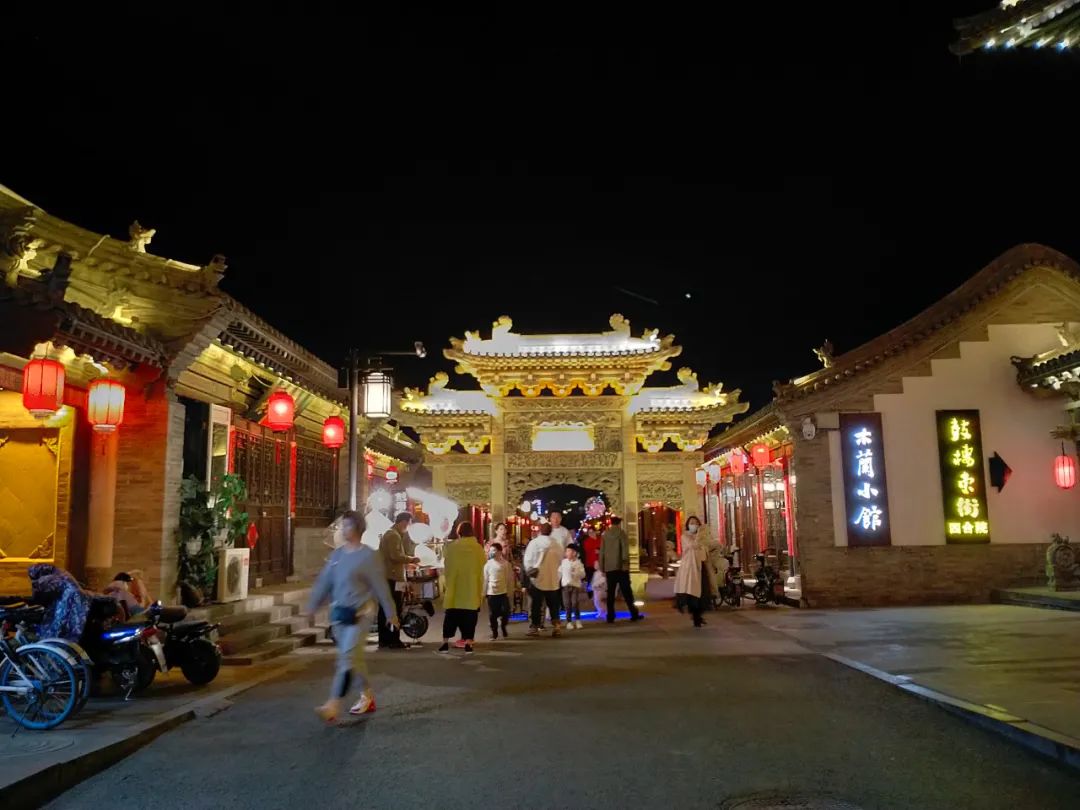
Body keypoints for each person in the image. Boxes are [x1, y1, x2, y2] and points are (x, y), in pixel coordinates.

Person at [309, 511, 399, 722]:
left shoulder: (368, 555)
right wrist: (313, 605)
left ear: (357, 528)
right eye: (342, 526)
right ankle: (367, 695)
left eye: (347, 526)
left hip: (360, 613)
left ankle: (333, 704)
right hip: (340, 614)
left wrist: (390, 612)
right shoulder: (337, 556)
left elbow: (379, 585)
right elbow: (324, 582)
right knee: (353, 659)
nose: (343, 530)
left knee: (346, 658)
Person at [438, 522, 486, 654]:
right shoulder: (477, 548)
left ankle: (445, 642)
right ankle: (468, 644)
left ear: (459, 532)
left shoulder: (452, 547)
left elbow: (446, 565)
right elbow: (483, 564)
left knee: (451, 616)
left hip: (455, 587)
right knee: (470, 617)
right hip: (471, 588)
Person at [379, 512, 420, 649]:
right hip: (393, 578)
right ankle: (393, 640)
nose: (408, 527)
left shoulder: (392, 534)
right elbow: (395, 556)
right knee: (394, 609)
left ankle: (385, 639)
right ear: (403, 522)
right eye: (408, 524)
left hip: (390, 576)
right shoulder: (393, 535)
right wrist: (411, 559)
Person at [600, 516, 642, 623]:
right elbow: (624, 549)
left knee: (610, 593)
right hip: (621, 568)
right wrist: (625, 563)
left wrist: (602, 566)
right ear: (619, 524)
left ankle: (610, 616)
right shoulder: (622, 534)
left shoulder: (605, 535)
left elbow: (602, 552)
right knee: (627, 592)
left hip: (609, 568)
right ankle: (634, 613)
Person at [523, 523, 562, 637]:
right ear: (551, 532)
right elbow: (561, 561)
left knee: (536, 604)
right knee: (553, 605)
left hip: (537, 579)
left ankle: (534, 627)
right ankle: (556, 627)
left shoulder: (534, 543)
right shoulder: (556, 544)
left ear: (540, 530)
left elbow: (528, 561)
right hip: (552, 579)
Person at [674, 516, 711, 627]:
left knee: (702, 592)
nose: (693, 525)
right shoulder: (685, 536)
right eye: (691, 523)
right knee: (692, 592)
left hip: (700, 566)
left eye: (695, 523)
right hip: (689, 568)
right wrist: (699, 536)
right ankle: (696, 617)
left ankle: (698, 615)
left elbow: (704, 548)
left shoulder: (700, 537)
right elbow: (693, 545)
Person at [484, 541, 514, 640]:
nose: (492, 552)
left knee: (506, 612)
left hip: (503, 592)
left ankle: (503, 625)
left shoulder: (505, 564)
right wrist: (483, 593)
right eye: (491, 550)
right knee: (493, 614)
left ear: (500, 552)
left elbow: (509, 579)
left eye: (494, 550)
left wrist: (510, 591)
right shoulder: (488, 565)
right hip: (491, 593)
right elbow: (485, 579)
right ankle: (494, 632)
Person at [559, 544, 586, 629]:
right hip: (565, 586)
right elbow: (559, 572)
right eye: (566, 551)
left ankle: (578, 620)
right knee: (567, 604)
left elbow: (583, 574)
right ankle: (569, 622)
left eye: (568, 551)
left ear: (574, 553)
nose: (566, 553)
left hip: (575, 586)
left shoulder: (578, 563)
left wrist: (576, 572)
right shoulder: (564, 562)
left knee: (575, 603)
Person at [582, 526, 601, 591]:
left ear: (595, 532)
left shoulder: (600, 540)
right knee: (590, 579)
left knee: (598, 579)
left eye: (592, 532)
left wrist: (599, 551)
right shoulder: (587, 541)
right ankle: (590, 593)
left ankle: (597, 592)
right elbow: (588, 550)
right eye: (589, 533)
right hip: (590, 563)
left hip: (600, 562)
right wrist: (596, 551)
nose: (591, 534)